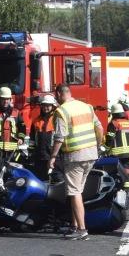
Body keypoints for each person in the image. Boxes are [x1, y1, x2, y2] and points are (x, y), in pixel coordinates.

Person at [48, 84, 104, 240]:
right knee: (76, 192)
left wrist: (53, 157)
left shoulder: (61, 111)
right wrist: (97, 146)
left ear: (59, 94)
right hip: (90, 154)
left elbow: (60, 137)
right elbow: (100, 128)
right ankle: (74, 225)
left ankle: (82, 229)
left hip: (75, 156)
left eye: (56, 95)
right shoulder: (87, 107)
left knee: (74, 192)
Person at [0, 86, 26, 158]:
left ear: (10, 99)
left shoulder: (16, 112)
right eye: (3, 99)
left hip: (12, 151)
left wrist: (21, 138)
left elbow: (22, 127)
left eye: (7, 99)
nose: (5, 101)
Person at [105, 102, 129, 193]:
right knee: (126, 168)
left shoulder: (113, 124)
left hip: (117, 151)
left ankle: (116, 187)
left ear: (113, 113)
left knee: (115, 169)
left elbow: (110, 138)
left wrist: (105, 149)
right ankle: (127, 187)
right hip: (128, 150)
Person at [28, 94, 58, 180]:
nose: (46, 108)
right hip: (39, 157)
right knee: (40, 180)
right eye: (44, 105)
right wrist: (31, 154)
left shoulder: (56, 120)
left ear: (53, 106)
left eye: (48, 106)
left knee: (56, 179)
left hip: (53, 156)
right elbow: (32, 139)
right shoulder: (36, 121)